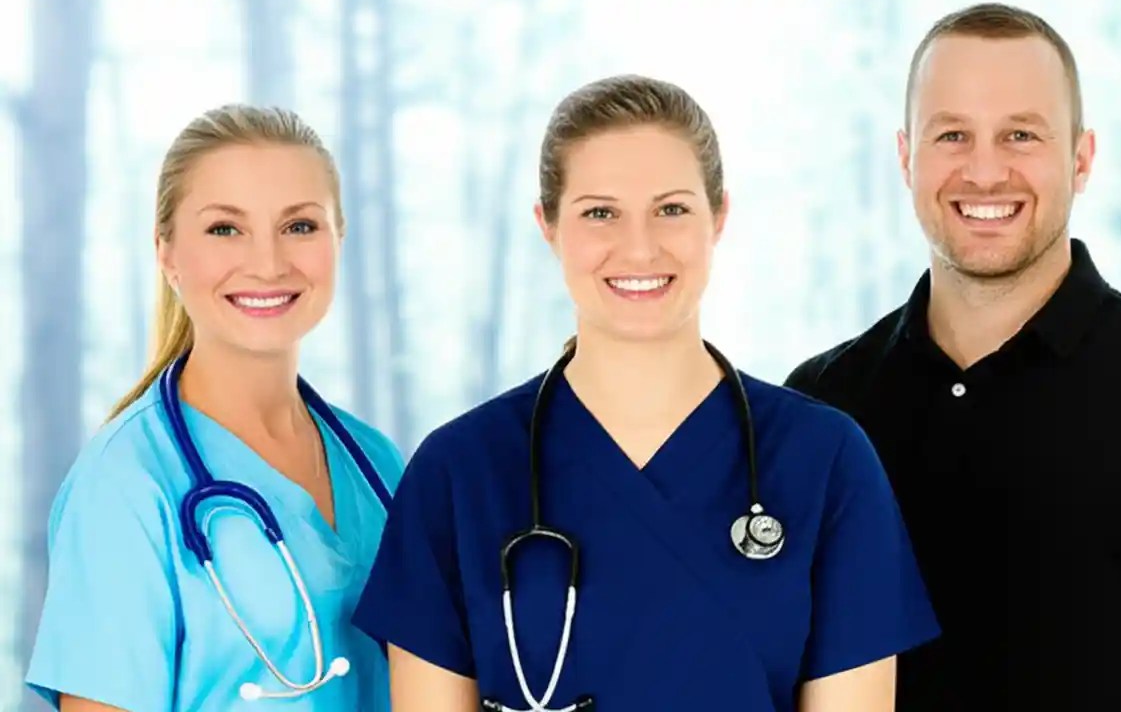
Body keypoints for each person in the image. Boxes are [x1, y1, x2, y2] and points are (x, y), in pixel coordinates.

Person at [352, 74, 940, 712]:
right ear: (547, 225)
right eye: (600, 212)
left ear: (718, 216)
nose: (638, 247)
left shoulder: (823, 462)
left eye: (671, 209)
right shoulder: (460, 474)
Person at [785, 2, 1121, 712]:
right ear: (906, 158)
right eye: (952, 135)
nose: (985, 173)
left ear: (1080, 158)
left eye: (1021, 135)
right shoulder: (824, 404)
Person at [25, 104, 405, 711]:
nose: (268, 262)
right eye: (225, 228)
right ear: (167, 254)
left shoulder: (378, 466)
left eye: (300, 226)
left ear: (339, 239)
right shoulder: (125, 485)